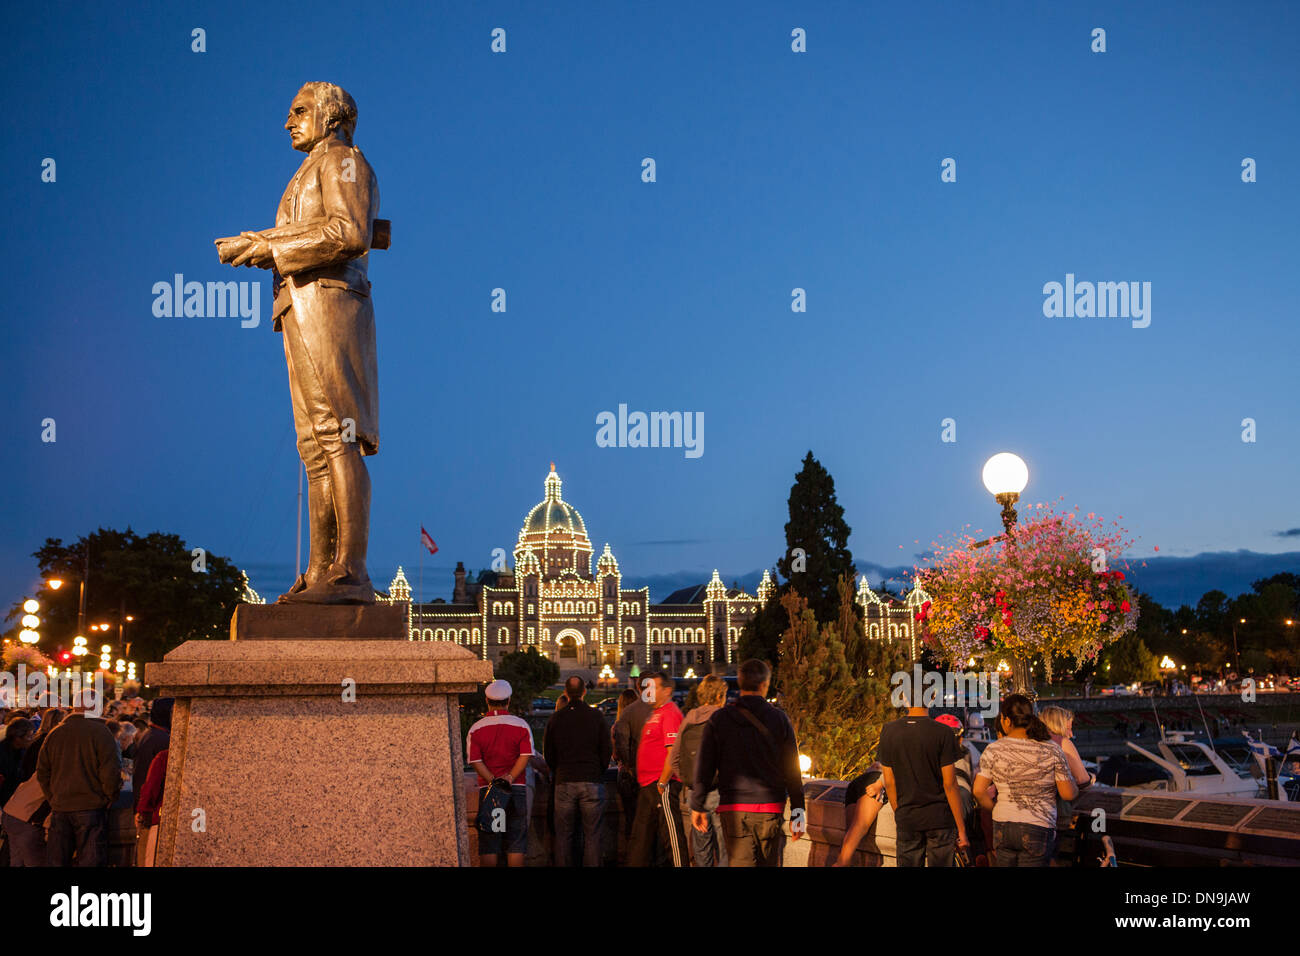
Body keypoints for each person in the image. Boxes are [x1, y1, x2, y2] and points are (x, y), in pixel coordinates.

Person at [216, 81, 382, 604]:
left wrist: (267, 244)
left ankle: (349, 572)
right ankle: (317, 572)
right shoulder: (308, 169)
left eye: (299, 111)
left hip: (331, 303)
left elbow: (349, 233)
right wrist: (266, 243)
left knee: (339, 435)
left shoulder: (344, 162)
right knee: (313, 448)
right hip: (299, 304)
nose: (289, 122)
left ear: (331, 117)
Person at [690, 659, 805, 867]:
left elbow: (705, 766)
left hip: (735, 809)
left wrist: (698, 804)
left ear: (740, 683)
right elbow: (792, 769)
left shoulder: (720, 720)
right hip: (770, 807)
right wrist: (798, 811)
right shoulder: (779, 719)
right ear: (765, 685)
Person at [973, 694, 1078, 867]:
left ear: (1006, 721)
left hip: (1003, 824)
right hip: (1038, 826)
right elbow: (1067, 793)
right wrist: (1076, 786)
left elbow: (978, 791)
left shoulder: (993, 749)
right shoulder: (1051, 749)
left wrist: (995, 809)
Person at [877, 689, 969, 867]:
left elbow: (889, 782)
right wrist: (962, 829)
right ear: (932, 696)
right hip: (940, 819)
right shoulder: (943, 732)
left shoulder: (889, 731)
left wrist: (900, 812)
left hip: (908, 818)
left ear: (903, 697)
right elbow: (950, 785)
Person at [36, 689, 122, 866]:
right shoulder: (101, 733)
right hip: (90, 807)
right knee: (90, 860)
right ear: (96, 707)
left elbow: (42, 772)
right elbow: (110, 771)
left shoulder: (55, 733)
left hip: (60, 806)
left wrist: (53, 797)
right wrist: (108, 796)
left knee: (57, 861)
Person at [660, 673, 727, 866]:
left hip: (694, 792)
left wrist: (689, 779)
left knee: (701, 849)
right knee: (724, 849)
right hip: (719, 791)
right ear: (719, 696)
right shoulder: (723, 717)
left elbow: (674, 758)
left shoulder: (689, 717)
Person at [543, 676, 611, 866]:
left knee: (563, 835)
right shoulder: (596, 716)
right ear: (584, 692)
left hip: (564, 781)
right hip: (591, 780)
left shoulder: (555, 718)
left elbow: (548, 752)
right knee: (593, 835)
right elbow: (606, 749)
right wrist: (598, 770)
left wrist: (559, 771)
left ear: (565, 692)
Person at [466, 679, 533, 867]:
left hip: (490, 793)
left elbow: (475, 761)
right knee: (516, 841)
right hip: (516, 789)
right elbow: (525, 755)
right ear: (508, 700)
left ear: (487, 700)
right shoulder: (521, 725)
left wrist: (494, 782)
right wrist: (510, 778)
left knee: (490, 843)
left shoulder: (476, 729)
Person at [626, 672, 688, 866]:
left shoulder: (670, 713)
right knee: (641, 838)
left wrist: (663, 781)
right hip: (648, 784)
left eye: (654, 688)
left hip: (661, 785)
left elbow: (673, 752)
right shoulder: (656, 713)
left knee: (672, 837)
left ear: (666, 690)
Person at [132, 698, 172, 867]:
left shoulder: (151, 735)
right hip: (156, 813)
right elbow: (151, 783)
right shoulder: (162, 743)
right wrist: (144, 809)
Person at [613, 686, 649, 843]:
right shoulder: (644, 723)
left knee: (629, 817)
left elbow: (615, 755)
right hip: (644, 773)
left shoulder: (616, 727)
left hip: (625, 776)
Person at [832, 767, 887, 866]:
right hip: (877, 781)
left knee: (850, 836)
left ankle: (841, 862)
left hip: (857, 782)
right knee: (859, 827)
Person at [135, 749, 169, 867]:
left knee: (151, 860)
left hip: (160, 819)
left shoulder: (164, 757)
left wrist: (142, 811)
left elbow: (151, 787)